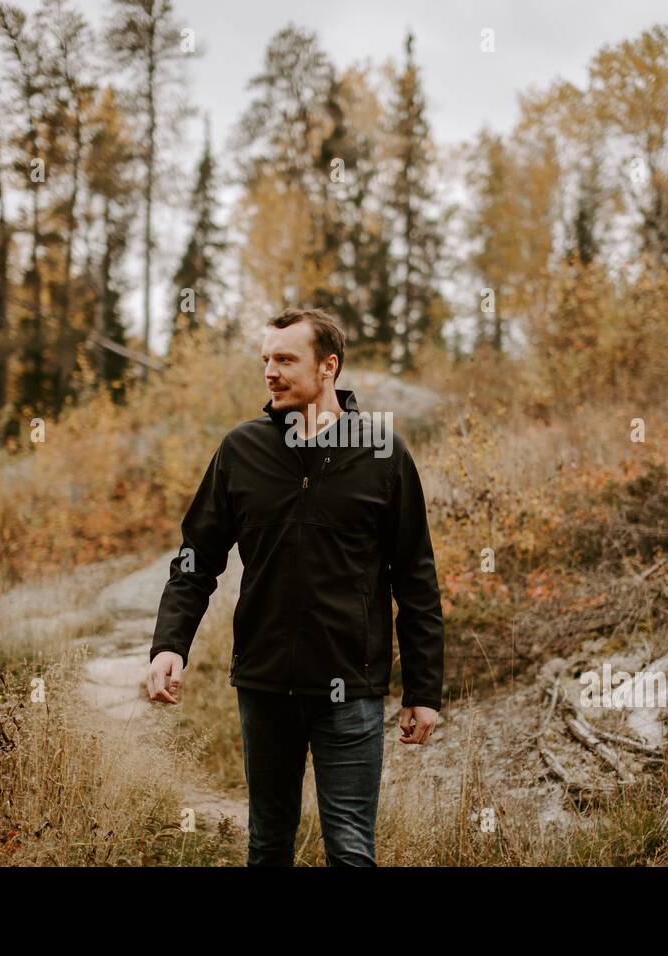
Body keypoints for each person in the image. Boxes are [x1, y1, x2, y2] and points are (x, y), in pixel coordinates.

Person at [146, 306, 445, 866]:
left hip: (349, 687)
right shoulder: (242, 450)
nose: (270, 372)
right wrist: (170, 644)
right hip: (265, 684)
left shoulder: (383, 454)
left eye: (285, 359)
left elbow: (416, 578)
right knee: (267, 845)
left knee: (352, 851)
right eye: (265, 359)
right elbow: (195, 558)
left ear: (328, 366)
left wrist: (424, 690)